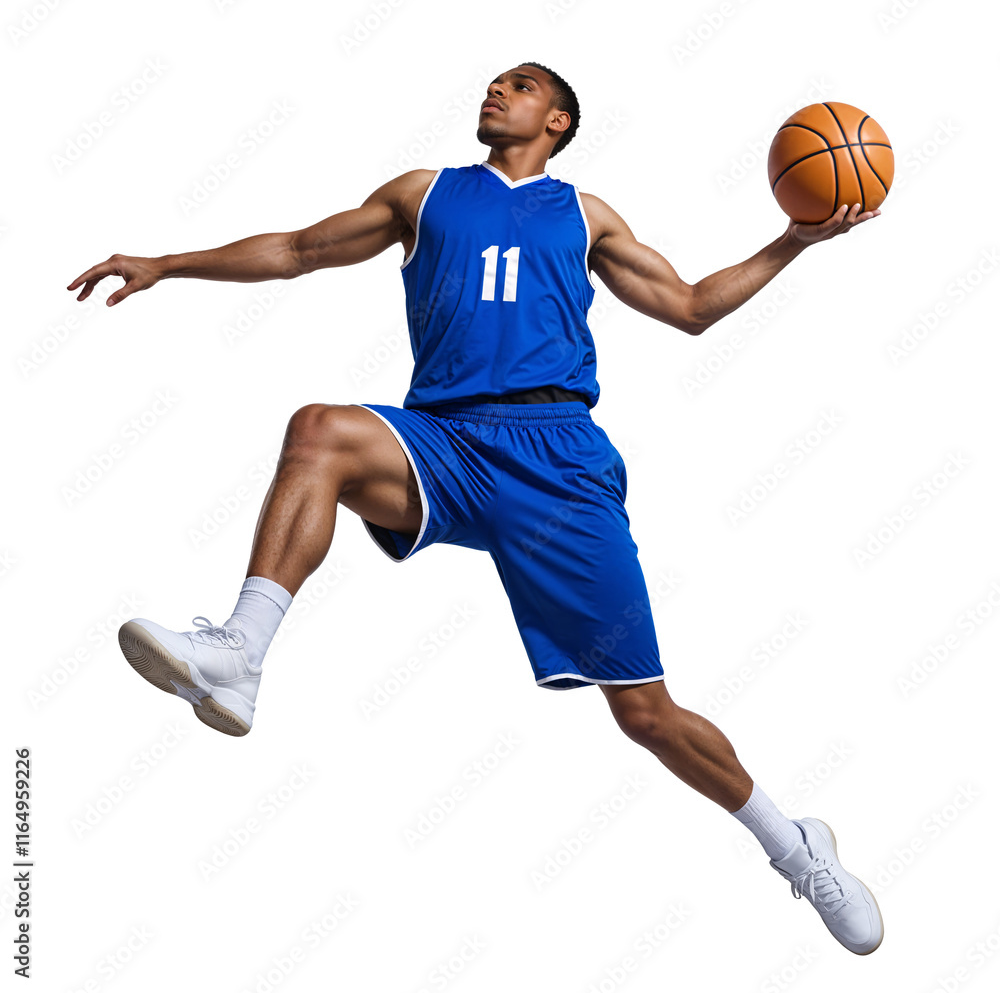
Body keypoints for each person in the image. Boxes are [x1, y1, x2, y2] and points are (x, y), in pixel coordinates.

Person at [67, 61, 883, 955]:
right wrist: (167, 264)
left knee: (646, 714)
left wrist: (792, 241)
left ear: (558, 120)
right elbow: (298, 250)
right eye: (494, 83)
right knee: (319, 430)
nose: (496, 91)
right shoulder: (423, 195)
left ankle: (795, 847)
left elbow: (688, 306)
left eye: (521, 86)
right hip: (446, 444)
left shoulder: (586, 216)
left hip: (557, 464)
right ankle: (239, 653)